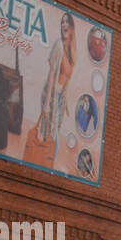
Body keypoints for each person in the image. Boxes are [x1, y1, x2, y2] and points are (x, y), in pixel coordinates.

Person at [37, 11, 75, 163]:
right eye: (62, 22)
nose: (64, 24)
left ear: (72, 27)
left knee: (53, 135)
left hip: (60, 99)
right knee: (51, 137)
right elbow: (52, 75)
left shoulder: (71, 51)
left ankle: (45, 163)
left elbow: (66, 79)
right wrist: (46, 105)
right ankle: (45, 165)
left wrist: (65, 104)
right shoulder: (58, 45)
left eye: (67, 22)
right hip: (51, 97)